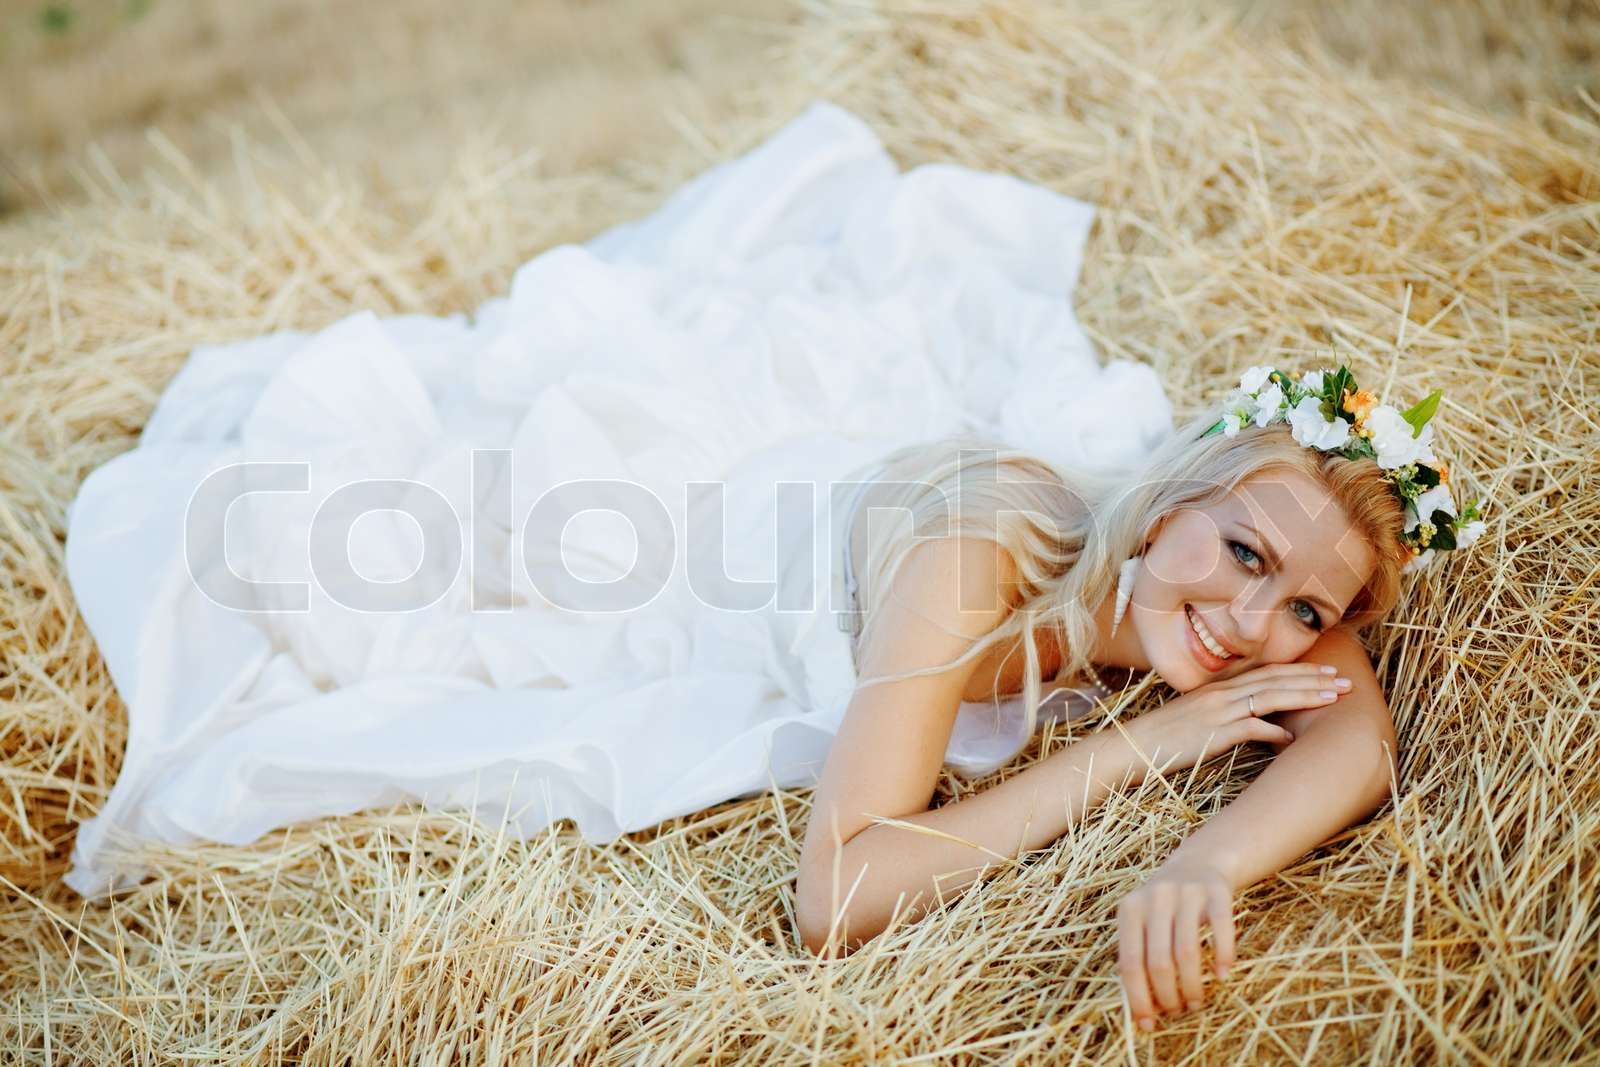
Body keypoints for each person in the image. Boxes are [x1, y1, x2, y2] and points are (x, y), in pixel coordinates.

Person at [794, 363, 1487, 1032]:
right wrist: (1137, 746)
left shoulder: (1274, 601)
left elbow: (1360, 747)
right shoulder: (975, 558)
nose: (1250, 622)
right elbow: (834, 897)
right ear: (1166, 507)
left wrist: (1209, 863)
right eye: (1246, 554)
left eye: (1307, 611)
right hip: (798, 558)